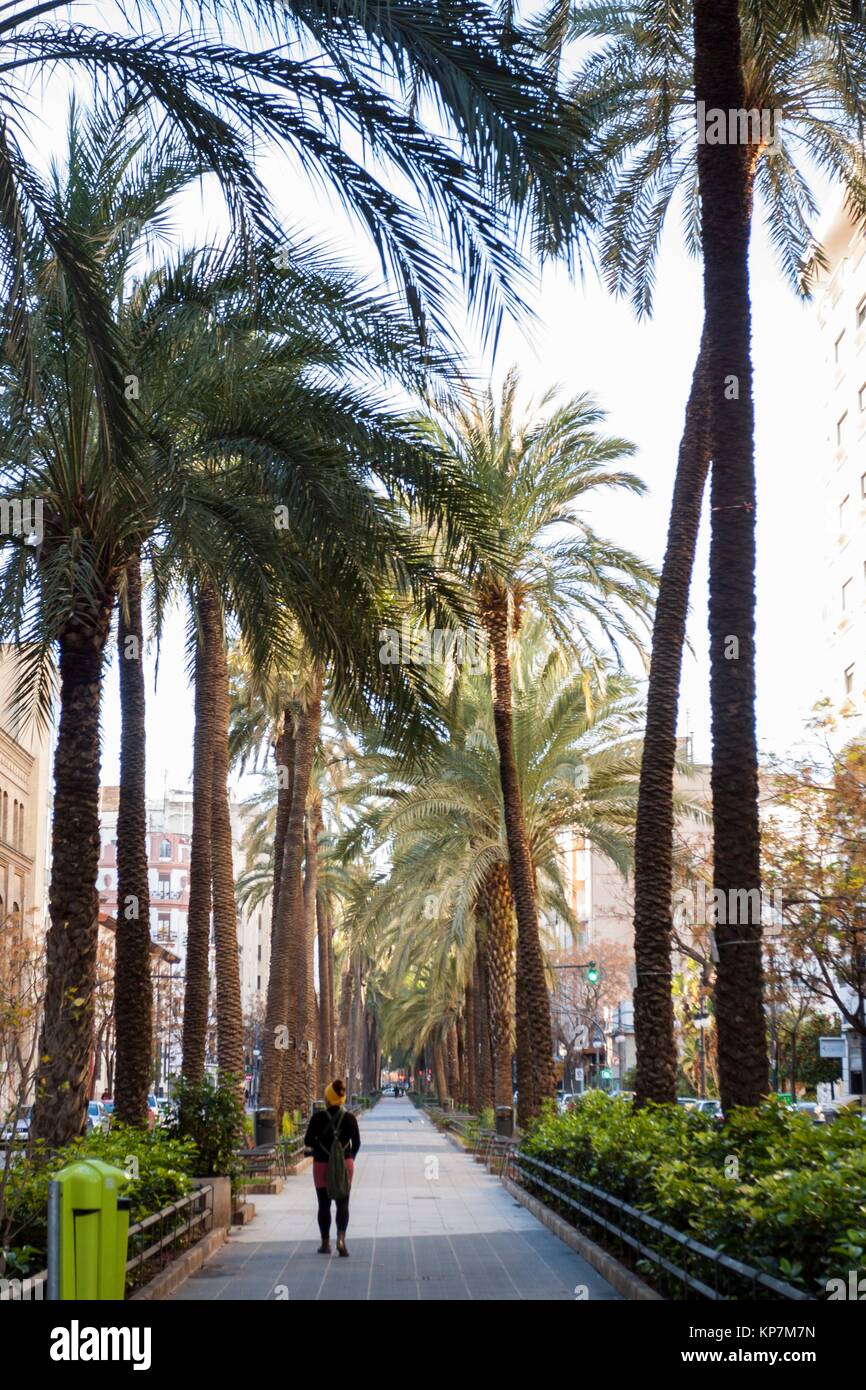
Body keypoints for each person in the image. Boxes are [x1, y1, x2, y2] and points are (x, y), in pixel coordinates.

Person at [304, 1079, 361, 1257]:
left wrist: (320, 1147)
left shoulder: (318, 1118)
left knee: (324, 1204)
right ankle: (341, 1238)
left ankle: (325, 1243)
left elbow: (307, 1141)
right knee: (343, 1202)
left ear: (328, 1098)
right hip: (345, 1164)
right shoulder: (350, 1119)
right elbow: (357, 1143)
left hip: (321, 1164)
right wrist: (348, 1157)